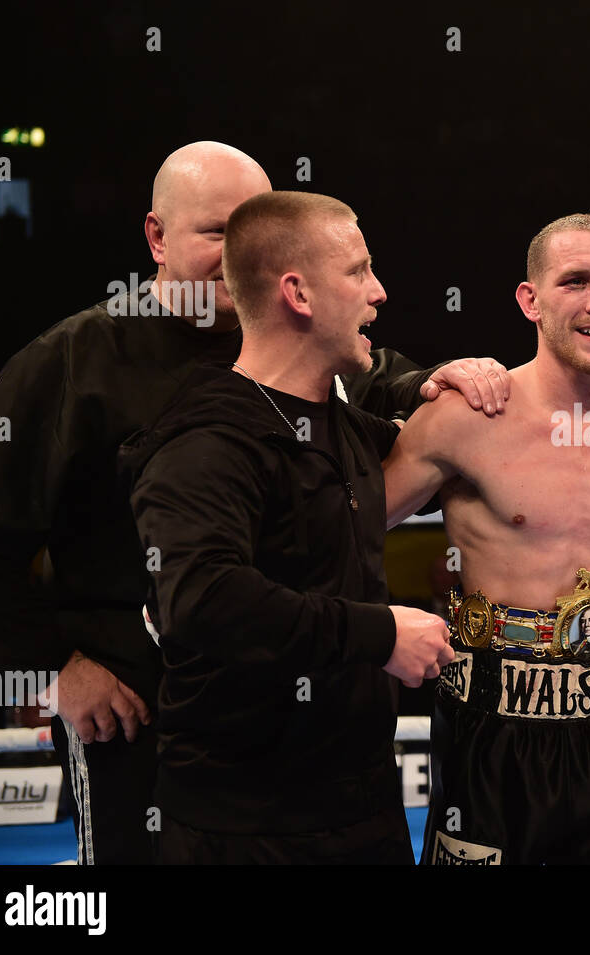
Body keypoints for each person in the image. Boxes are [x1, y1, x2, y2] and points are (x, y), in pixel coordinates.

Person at [0, 142, 509, 864]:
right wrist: (54, 666)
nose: (239, 248)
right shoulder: (79, 361)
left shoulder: (308, 354)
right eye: (217, 231)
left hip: (314, 720)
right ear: (156, 236)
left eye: (253, 226)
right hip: (144, 709)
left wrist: (449, 381)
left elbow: (385, 383)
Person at [120, 190, 458, 864]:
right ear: (297, 293)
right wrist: (381, 630)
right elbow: (201, 598)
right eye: (358, 271)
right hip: (241, 827)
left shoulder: (341, 427)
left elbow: (457, 453)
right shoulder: (205, 440)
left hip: (360, 807)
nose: (380, 292)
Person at [380, 213, 590, 864]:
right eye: (576, 280)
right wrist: (368, 629)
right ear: (530, 300)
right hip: (489, 731)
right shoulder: (465, 416)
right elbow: (344, 528)